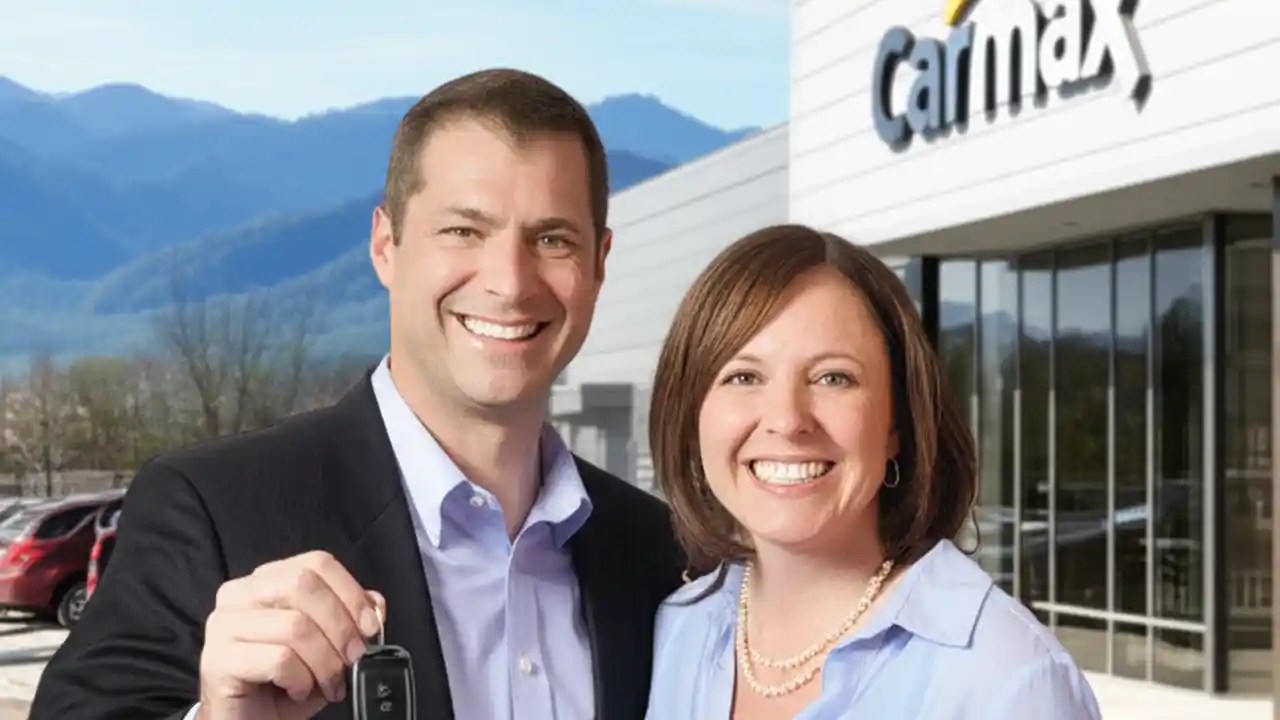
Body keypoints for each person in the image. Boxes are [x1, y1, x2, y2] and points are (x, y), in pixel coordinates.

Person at [30, 68, 684, 720]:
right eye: (463, 230)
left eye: (551, 239)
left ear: (599, 263)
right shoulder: (215, 511)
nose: (510, 283)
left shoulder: (660, 556)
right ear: (384, 246)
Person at [643, 225, 1102, 719]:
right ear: (692, 415)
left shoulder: (1007, 678)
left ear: (896, 424)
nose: (787, 419)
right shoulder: (681, 626)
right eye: (744, 376)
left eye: (833, 378)